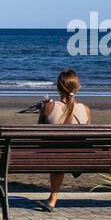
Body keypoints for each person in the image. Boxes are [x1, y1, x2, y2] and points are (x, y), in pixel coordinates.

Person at [38, 68, 89, 212]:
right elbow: (86, 134)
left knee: (57, 153)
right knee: (64, 151)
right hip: (77, 156)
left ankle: (52, 200)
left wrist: (44, 109)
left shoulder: (49, 106)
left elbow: (38, 131)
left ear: (58, 87)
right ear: (78, 87)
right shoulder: (85, 109)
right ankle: (73, 166)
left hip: (56, 156)